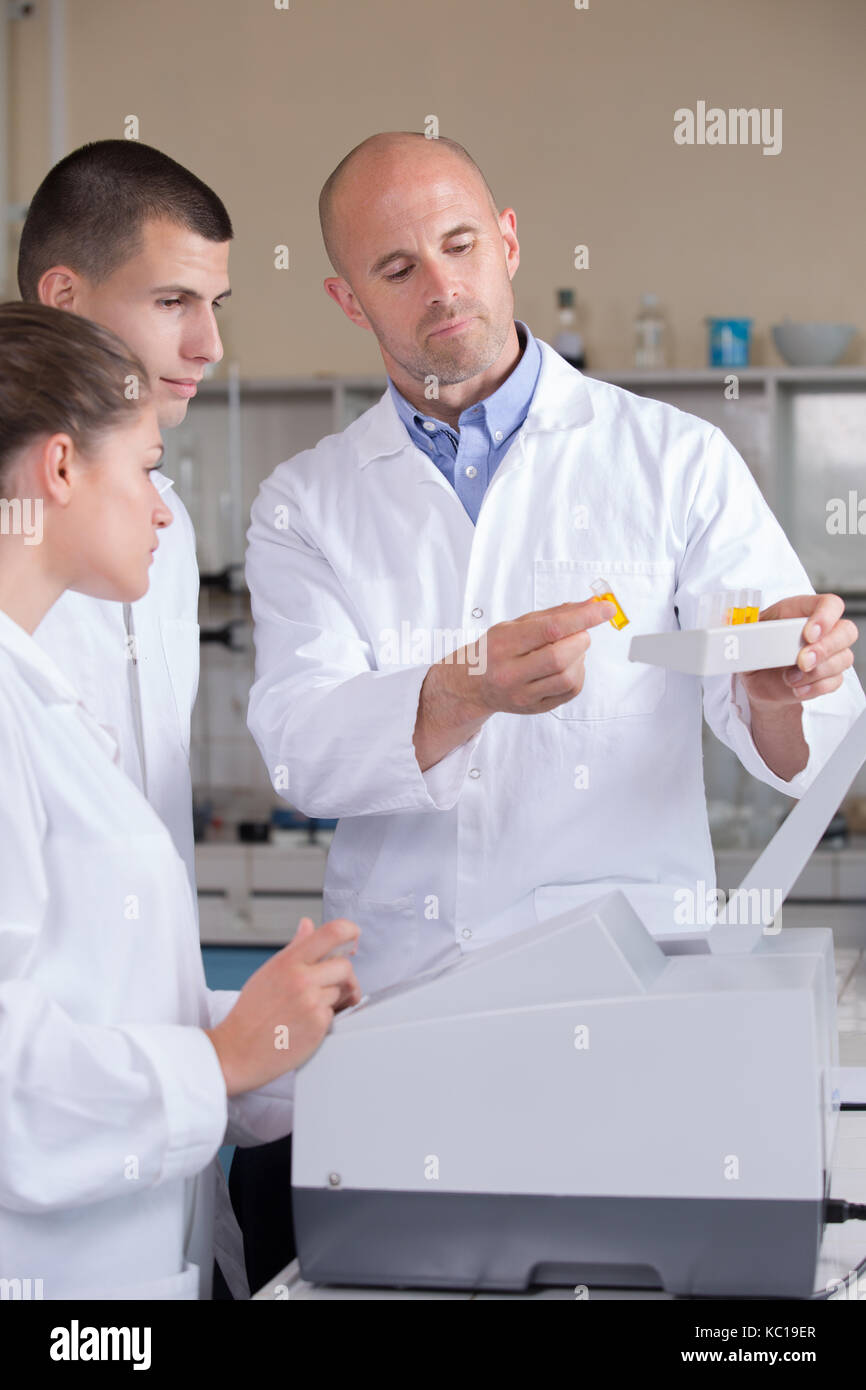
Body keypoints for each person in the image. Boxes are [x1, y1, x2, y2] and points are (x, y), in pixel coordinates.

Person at [235, 130, 865, 1284]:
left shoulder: (672, 459)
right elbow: (300, 747)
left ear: (509, 240)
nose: (440, 287)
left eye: (461, 244)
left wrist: (786, 677)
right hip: (398, 1029)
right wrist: (459, 692)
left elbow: (784, 730)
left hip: (627, 1025)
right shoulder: (304, 505)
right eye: (394, 268)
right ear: (344, 296)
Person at [0, 302, 361, 1301]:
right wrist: (220, 1057)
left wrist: (279, 1038)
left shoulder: (41, 704)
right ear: (62, 470)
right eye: (148, 467)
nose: (165, 508)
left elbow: (96, 1005)